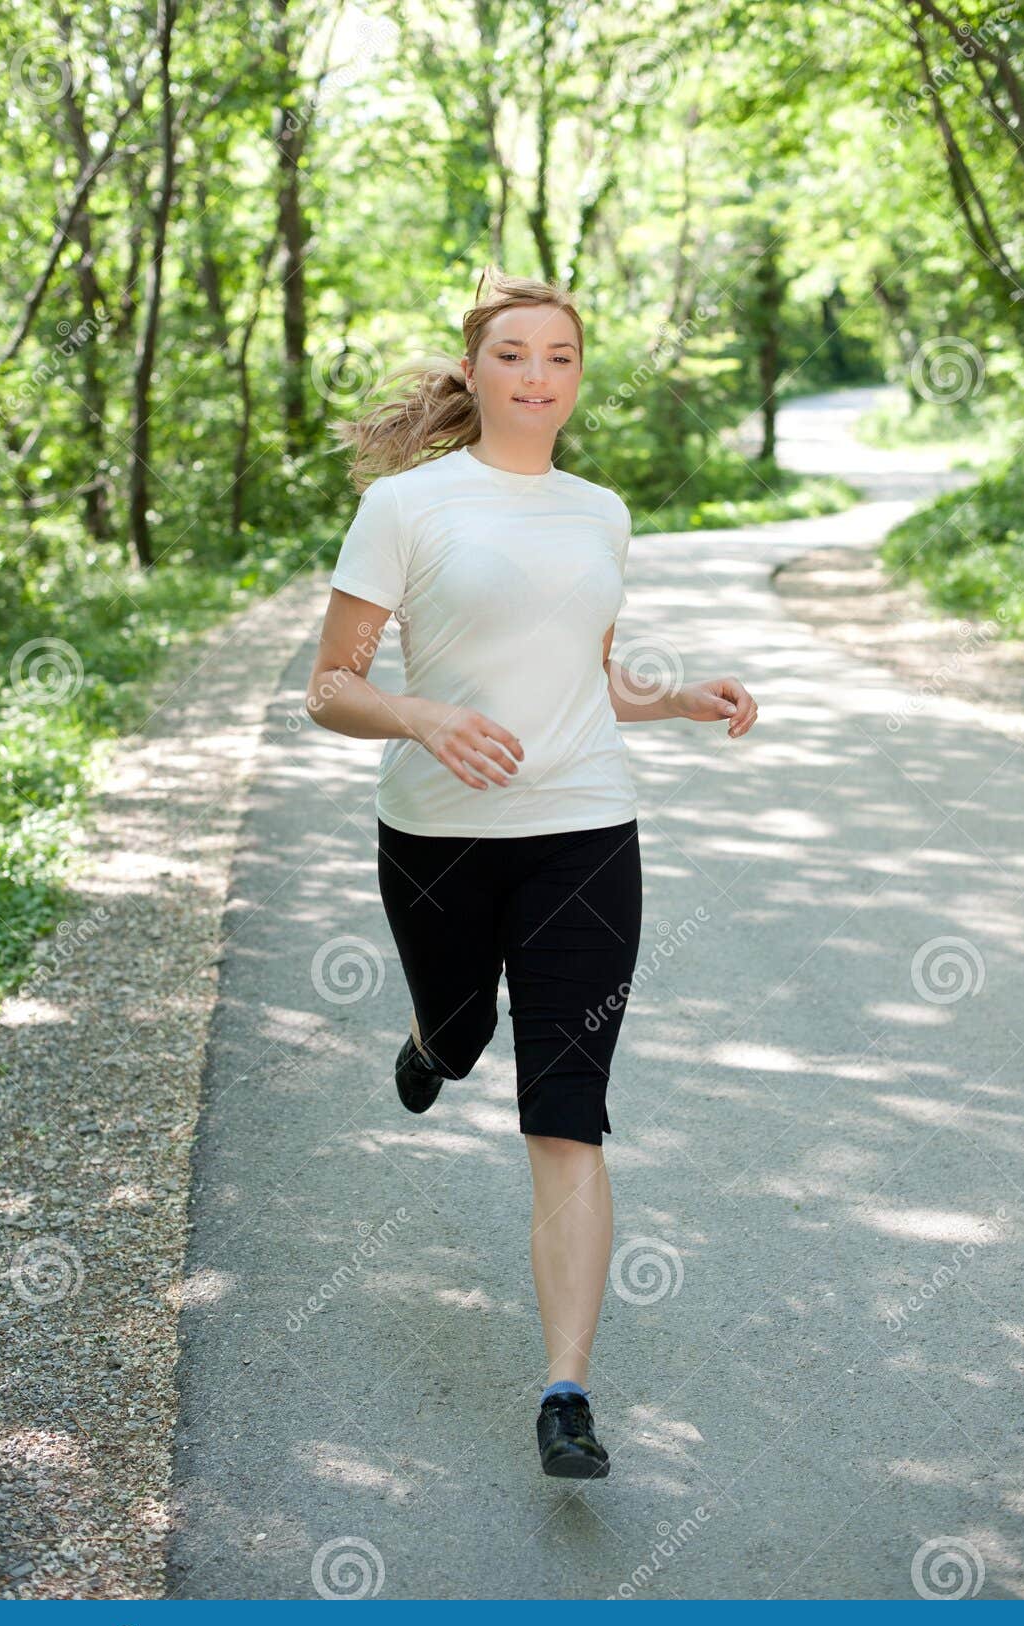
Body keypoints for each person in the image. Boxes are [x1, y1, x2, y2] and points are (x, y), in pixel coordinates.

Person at [305, 265, 758, 1480]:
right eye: (515, 354)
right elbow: (330, 687)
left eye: (559, 356)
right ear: (477, 369)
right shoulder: (409, 507)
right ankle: (434, 1039)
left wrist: (678, 699)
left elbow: (592, 678)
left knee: (566, 1109)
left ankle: (567, 1391)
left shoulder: (599, 511)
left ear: (575, 375)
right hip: (438, 836)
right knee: (460, 1041)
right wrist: (422, 718)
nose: (537, 376)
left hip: (585, 834)